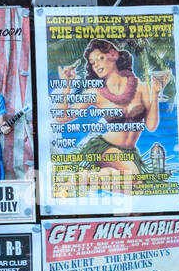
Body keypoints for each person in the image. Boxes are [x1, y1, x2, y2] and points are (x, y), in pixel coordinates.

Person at [57, 37, 167, 179]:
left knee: (135, 185)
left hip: (130, 153)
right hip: (105, 148)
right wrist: (67, 85)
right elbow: (61, 117)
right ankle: (81, 177)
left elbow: (151, 126)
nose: (96, 65)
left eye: (100, 58)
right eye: (92, 63)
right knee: (133, 176)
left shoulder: (143, 88)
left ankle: (81, 178)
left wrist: (156, 94)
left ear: (114, 55)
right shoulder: (96, 92)